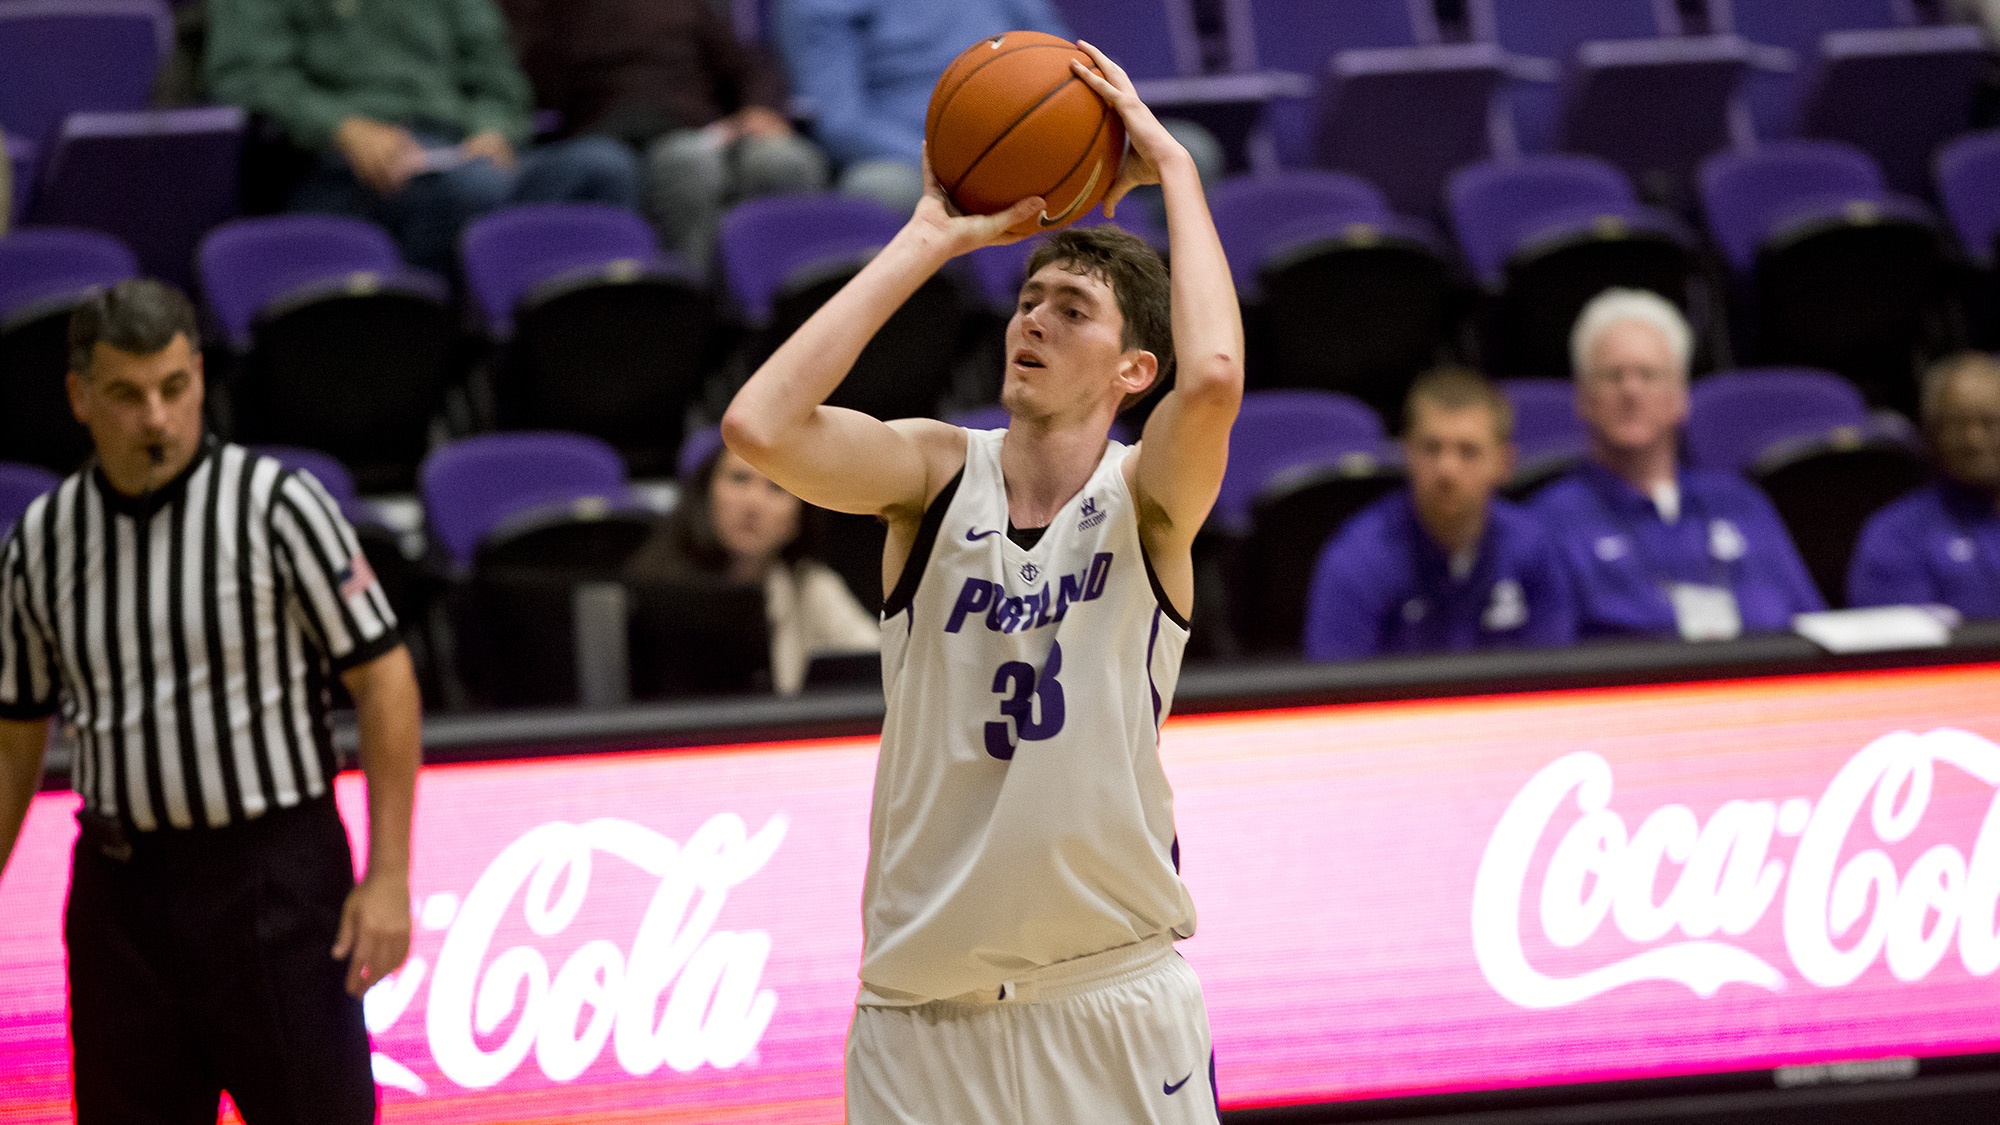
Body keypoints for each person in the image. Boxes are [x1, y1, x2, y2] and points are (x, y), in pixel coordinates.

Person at [722, 41, 1237, 1123]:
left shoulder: (1147, 502)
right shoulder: (932, 475)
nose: (1033, 320)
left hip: (1106, 993)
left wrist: (1175, 171)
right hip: (919, 1017)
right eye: (1027, 301)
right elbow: (758, 427)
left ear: (1132, 371)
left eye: (1071, 310)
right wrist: (926, 238)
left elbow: (1218, 377)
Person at [0, 280, 421, 1123]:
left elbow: (385, 680)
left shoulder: (277, 506)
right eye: (127, 394)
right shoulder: (41, 542)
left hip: (275, 878)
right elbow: (16, 738)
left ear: (199, 376)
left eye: (174, 388)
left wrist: (388, 876)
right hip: (123, 894)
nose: (156, 417)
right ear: (81, 395)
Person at [206, 0, 642, 275]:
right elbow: (247, 76)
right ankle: (460, 368)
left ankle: (588, 370)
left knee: (606, 169)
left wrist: (492, 127)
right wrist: (341, 126)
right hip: (335, 168)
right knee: (471, 191)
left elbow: (498, 75)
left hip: (458, 149)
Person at [1531, 288, 1824, 640]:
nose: (1631, 391)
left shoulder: (1740, 502)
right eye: (1612, 376)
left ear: (1680, 398)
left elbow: (1810, 626)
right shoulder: (1549, 522)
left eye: (1649, 375)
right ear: (1583, 398)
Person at [775, 0, 1222, 218]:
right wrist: (961, 165)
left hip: (1047, 134)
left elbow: (1073, 59)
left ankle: (1162, 330)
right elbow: (840, 122)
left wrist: (1112, 128)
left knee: (1188, 154)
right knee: (877, 189)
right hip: (922, 155)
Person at [500, 0, 827, 269]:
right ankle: (694, 308)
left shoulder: (687, 7)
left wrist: (761, 108)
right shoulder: (555, 12)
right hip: (619, 136)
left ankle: (787, 317)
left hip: (706, 131)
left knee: (784, 160)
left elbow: (749, 62)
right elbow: (534, 82)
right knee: (687, 162)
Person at [1303, 366, 1574, 661]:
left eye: (1468, 451)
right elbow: (1336, 694)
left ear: (1503, 463)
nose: (1447, 470)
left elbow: (1553, 681)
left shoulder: (1534, 548)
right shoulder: (1358, 558)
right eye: (1432, 448)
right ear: (1406, 452)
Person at [626, 432, 878, 694]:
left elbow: (877, 662)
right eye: (739, 479)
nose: (753, 503)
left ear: (798, 517)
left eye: (776, 488)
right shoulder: (653, 588)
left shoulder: (810, 585)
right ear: (706, 493)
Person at [1847, 351, 2000, 617]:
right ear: (1931, 433)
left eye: (1989, 423)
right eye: (1957, 424)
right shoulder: (1895, 534)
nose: (1973, 440)